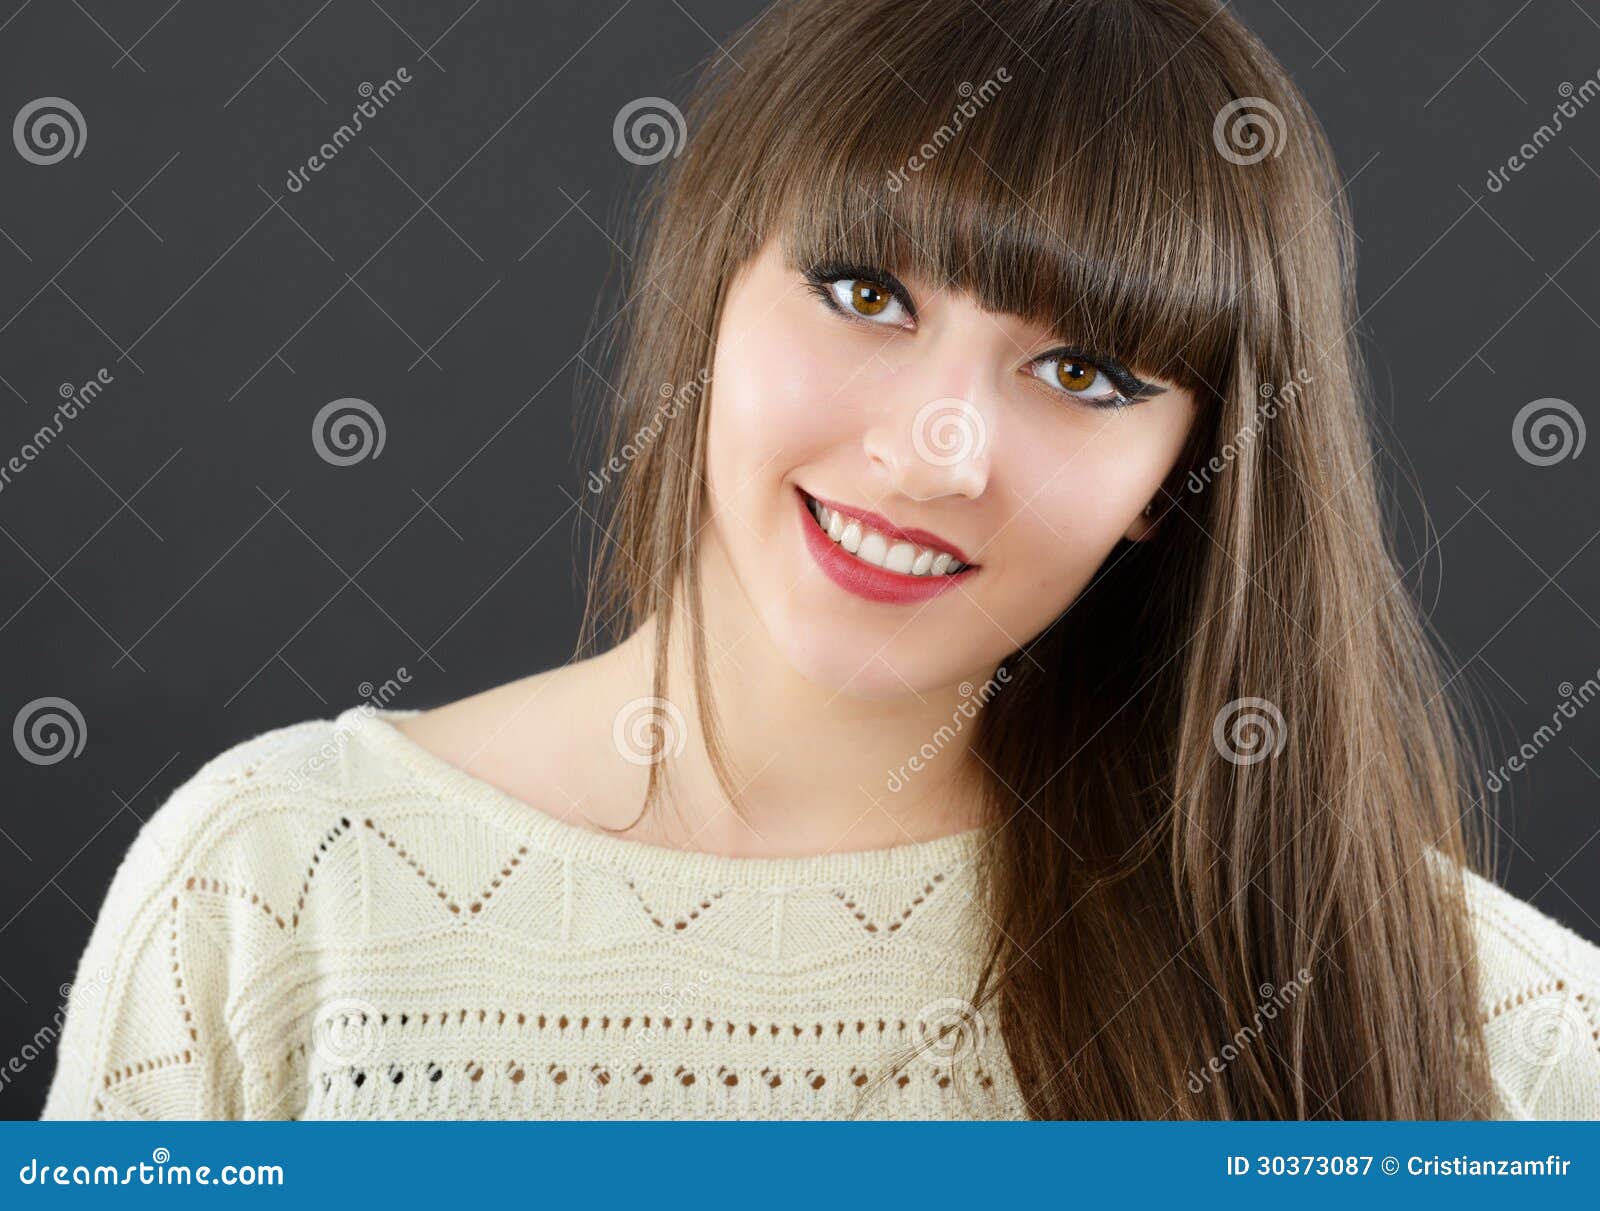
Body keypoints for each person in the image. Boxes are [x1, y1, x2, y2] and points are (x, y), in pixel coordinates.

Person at [46, 0, 1600, 1120]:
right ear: (711, 286)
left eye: (1082, 375)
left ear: (1179, 476)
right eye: (867, 294)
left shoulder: (1420, 999)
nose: (936, 452)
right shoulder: (276, 887)